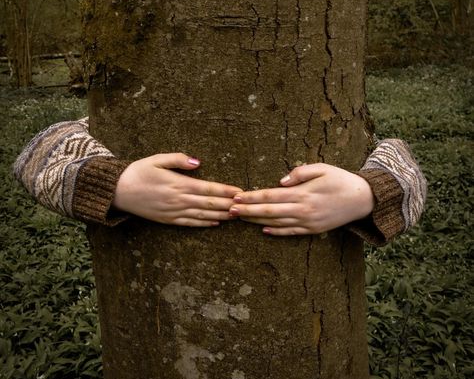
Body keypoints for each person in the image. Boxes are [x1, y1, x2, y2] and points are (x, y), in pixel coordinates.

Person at [14, 116, 426, 246]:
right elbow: (33, 158)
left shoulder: (339, 118)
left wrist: (367, 192)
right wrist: (116, 184)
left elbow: (403, 165)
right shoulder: (126, 115)